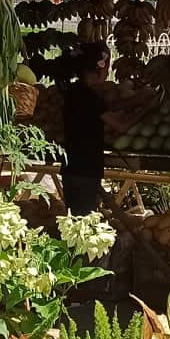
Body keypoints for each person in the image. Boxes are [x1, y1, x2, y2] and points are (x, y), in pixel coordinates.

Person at [59, 42, 115, 214]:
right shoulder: (90, 97)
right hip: (86, 170)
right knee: (82, 223)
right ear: (98, 69)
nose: (107, 73)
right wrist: (146, 108)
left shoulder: (72, 91)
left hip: (71, 168)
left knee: (75, 219)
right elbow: (121, 124)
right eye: (107, 68)